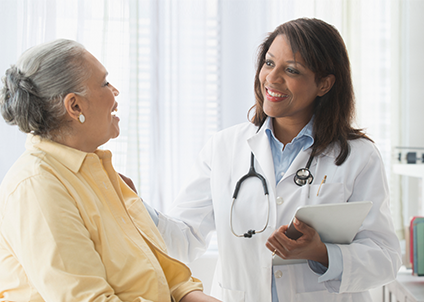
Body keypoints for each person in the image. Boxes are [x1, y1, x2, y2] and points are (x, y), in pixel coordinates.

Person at [148, 18, 402, 301]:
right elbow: (182, 238)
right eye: (269, 63)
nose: (272, 78)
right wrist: (130, 203)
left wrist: (321, 252)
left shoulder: (358, 157)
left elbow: (386, 258)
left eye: (291, 70)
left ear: (325, 84)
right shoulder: (224, 147)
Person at [0, 39, 221, 302]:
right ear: (75, 106)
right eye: (105, 83)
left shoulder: (99, 173)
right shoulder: (36, 188)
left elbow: (167, 277)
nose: (116, 93)